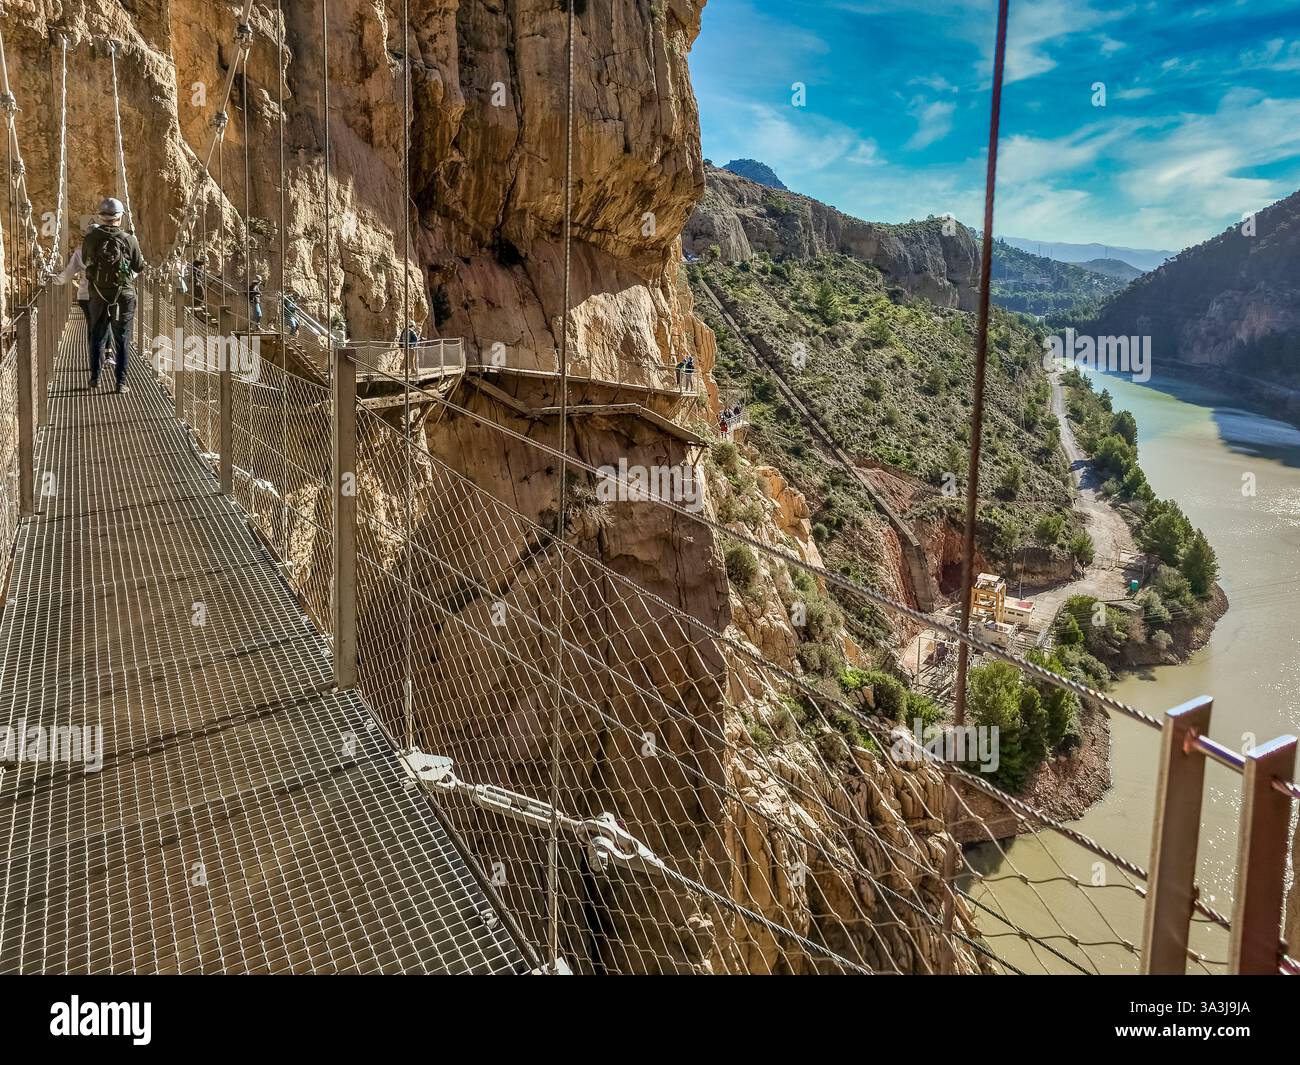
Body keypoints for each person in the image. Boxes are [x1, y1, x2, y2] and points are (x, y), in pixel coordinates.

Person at [83, 197, 145, 393]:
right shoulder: (129, 239)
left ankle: (94, 378)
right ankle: (120, 383)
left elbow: (86, 261)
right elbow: (139, 266)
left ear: (101, 216)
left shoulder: (91, 238)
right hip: (123, 295)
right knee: (122, 338)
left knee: (97, 336)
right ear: (120, 217)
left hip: (98, 294)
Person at [55, 226, 96, 363]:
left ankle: (94, 357)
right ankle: (105, 353)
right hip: (103, 296)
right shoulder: (106, 250)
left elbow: (67, 274)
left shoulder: (79, 252)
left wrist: (53, 279)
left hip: (84, 295)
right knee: (103, 324)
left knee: (92, 324)